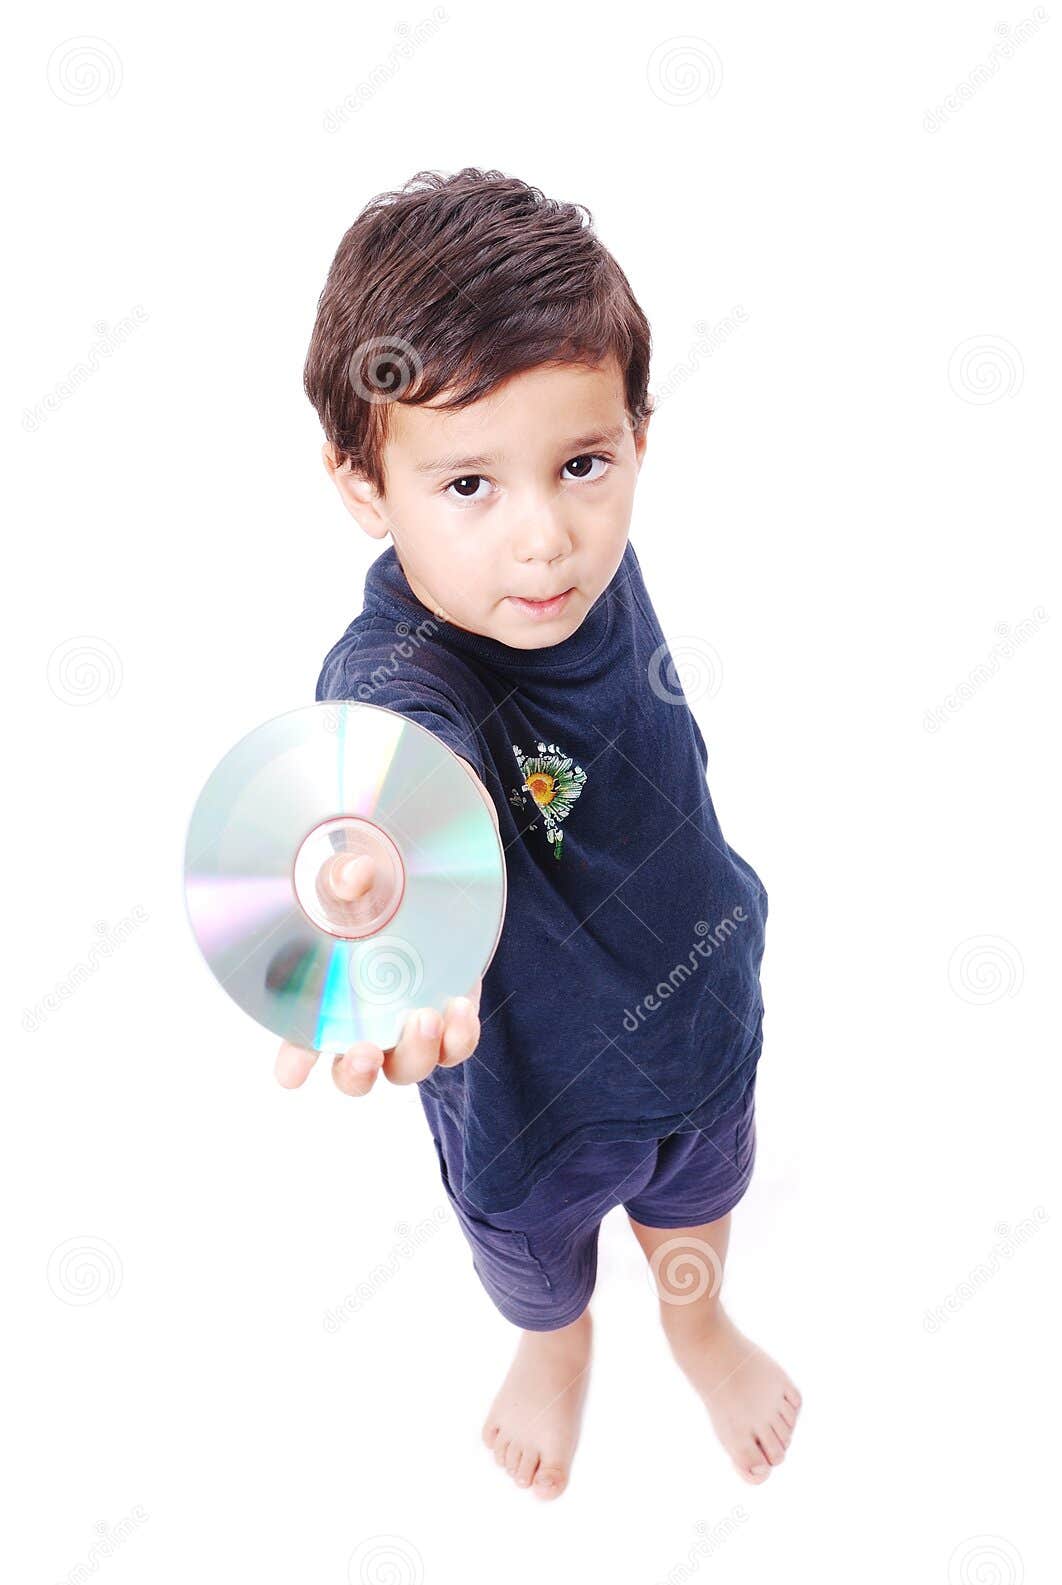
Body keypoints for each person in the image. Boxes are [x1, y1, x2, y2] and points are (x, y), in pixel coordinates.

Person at [279, 168, 801, 1500]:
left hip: (702, 1004)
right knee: (537, 1260)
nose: (545, 539)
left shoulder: (581, 555)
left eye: (582, 463)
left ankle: (694, 1324)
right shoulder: (402, 666)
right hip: (531, 1099)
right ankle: (556, 1343)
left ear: (636, 434)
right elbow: (394, 764)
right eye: (466, 484)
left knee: (701, 1203)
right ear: (360, 483)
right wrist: (377, 884)